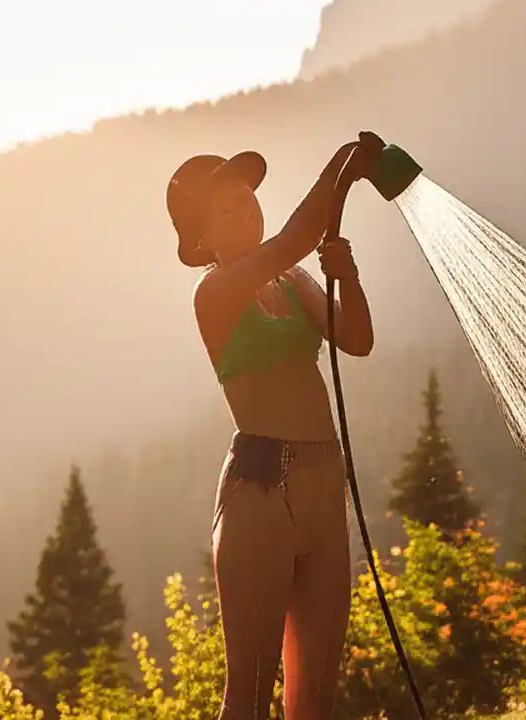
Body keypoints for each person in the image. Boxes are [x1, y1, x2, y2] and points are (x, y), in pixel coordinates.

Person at [165, 141, 376, 719]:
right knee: (250, 698)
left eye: (248, 200)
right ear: (201, 235)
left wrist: (347, 276)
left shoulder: (291, 280)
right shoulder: (214, 294)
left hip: (323, 486)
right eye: (228, 210)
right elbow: (292, 237)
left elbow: (355, 339)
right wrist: (342, 167)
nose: (248, 212)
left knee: (314, 699)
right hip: (261, 491)